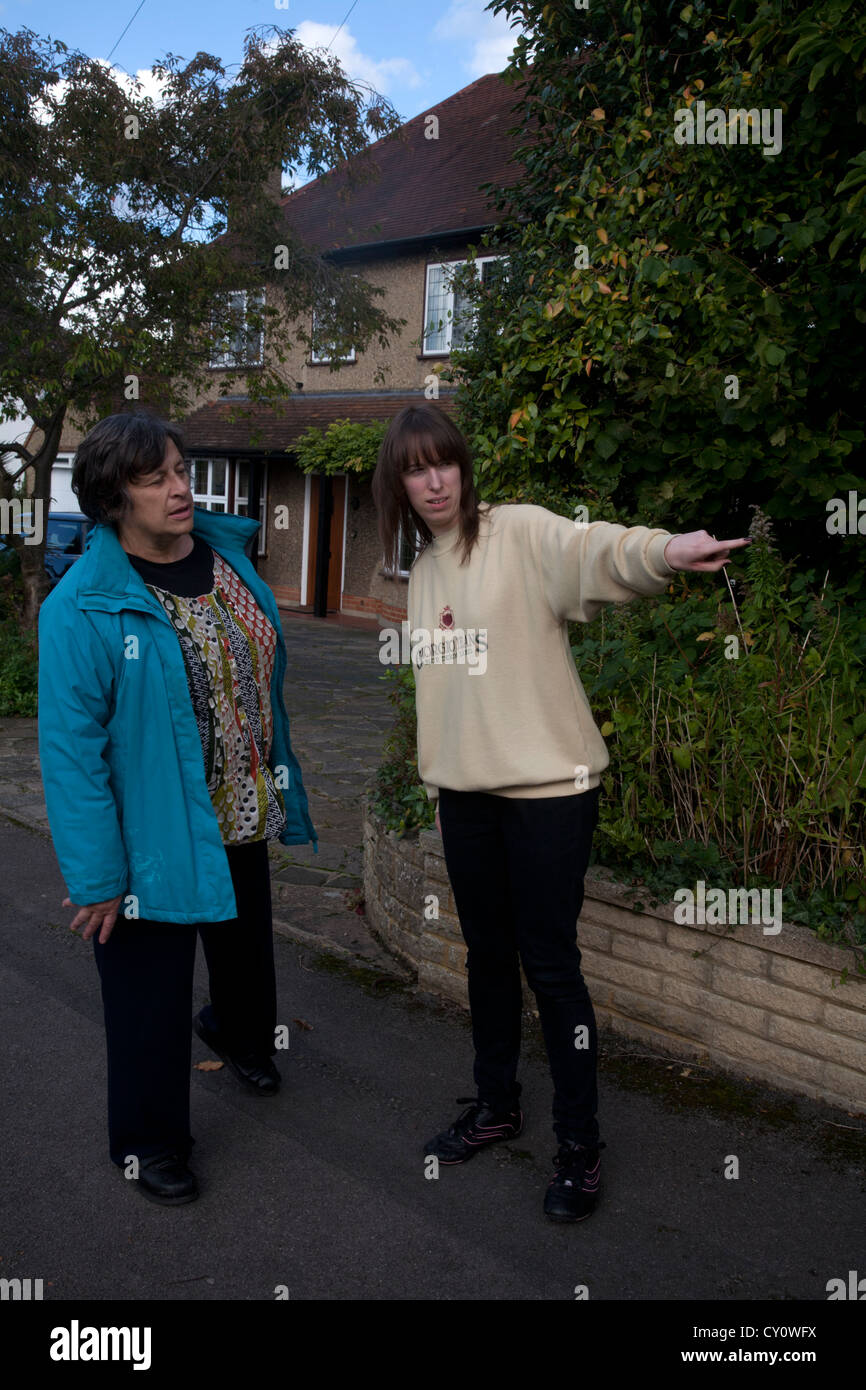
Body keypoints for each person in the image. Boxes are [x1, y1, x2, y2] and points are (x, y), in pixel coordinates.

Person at [372, 403, 748, 1223]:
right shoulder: (427, 567)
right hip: (467, 801)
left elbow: (594, 550)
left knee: (550, 965)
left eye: (445, 462)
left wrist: (664, 550)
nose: (434, 480)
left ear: (464, 468)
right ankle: (496, 1105)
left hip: (550, 794)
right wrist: (439, 790)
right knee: (484, 957)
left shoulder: (519, 532)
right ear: (398, 484)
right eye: (415, 468)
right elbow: (441, 697)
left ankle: (580, 1146)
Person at [37, 413, 317, 1205]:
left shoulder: (225, 556)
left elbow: (256, 673)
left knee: (244, 955)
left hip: (237, 808)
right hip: (149, 836)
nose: (180, 487)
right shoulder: (82, 607)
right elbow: (71, 755)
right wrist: (96, 877)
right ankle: (149, 1143)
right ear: (110, 497)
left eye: (180, 469)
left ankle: (236, 1035)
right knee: (147, 999)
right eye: (155, 476)